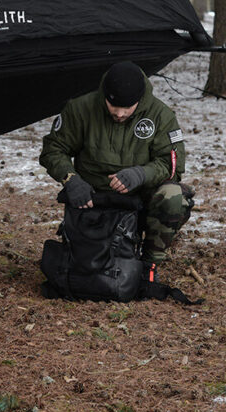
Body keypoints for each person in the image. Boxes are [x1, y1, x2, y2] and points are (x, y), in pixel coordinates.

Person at [39, 60, 193, 282]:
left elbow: (172, 165)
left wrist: (140, 174)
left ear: (139, 102)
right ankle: (82, 255)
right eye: (114, 106)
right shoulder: (81, 109)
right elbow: (53, 149)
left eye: (127, 108)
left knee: (173, 196)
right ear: (104, 96)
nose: (120, 114)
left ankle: (149, 263)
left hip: (138, 197)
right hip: (93, 198)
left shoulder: (161, 116)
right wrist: (71, 179)